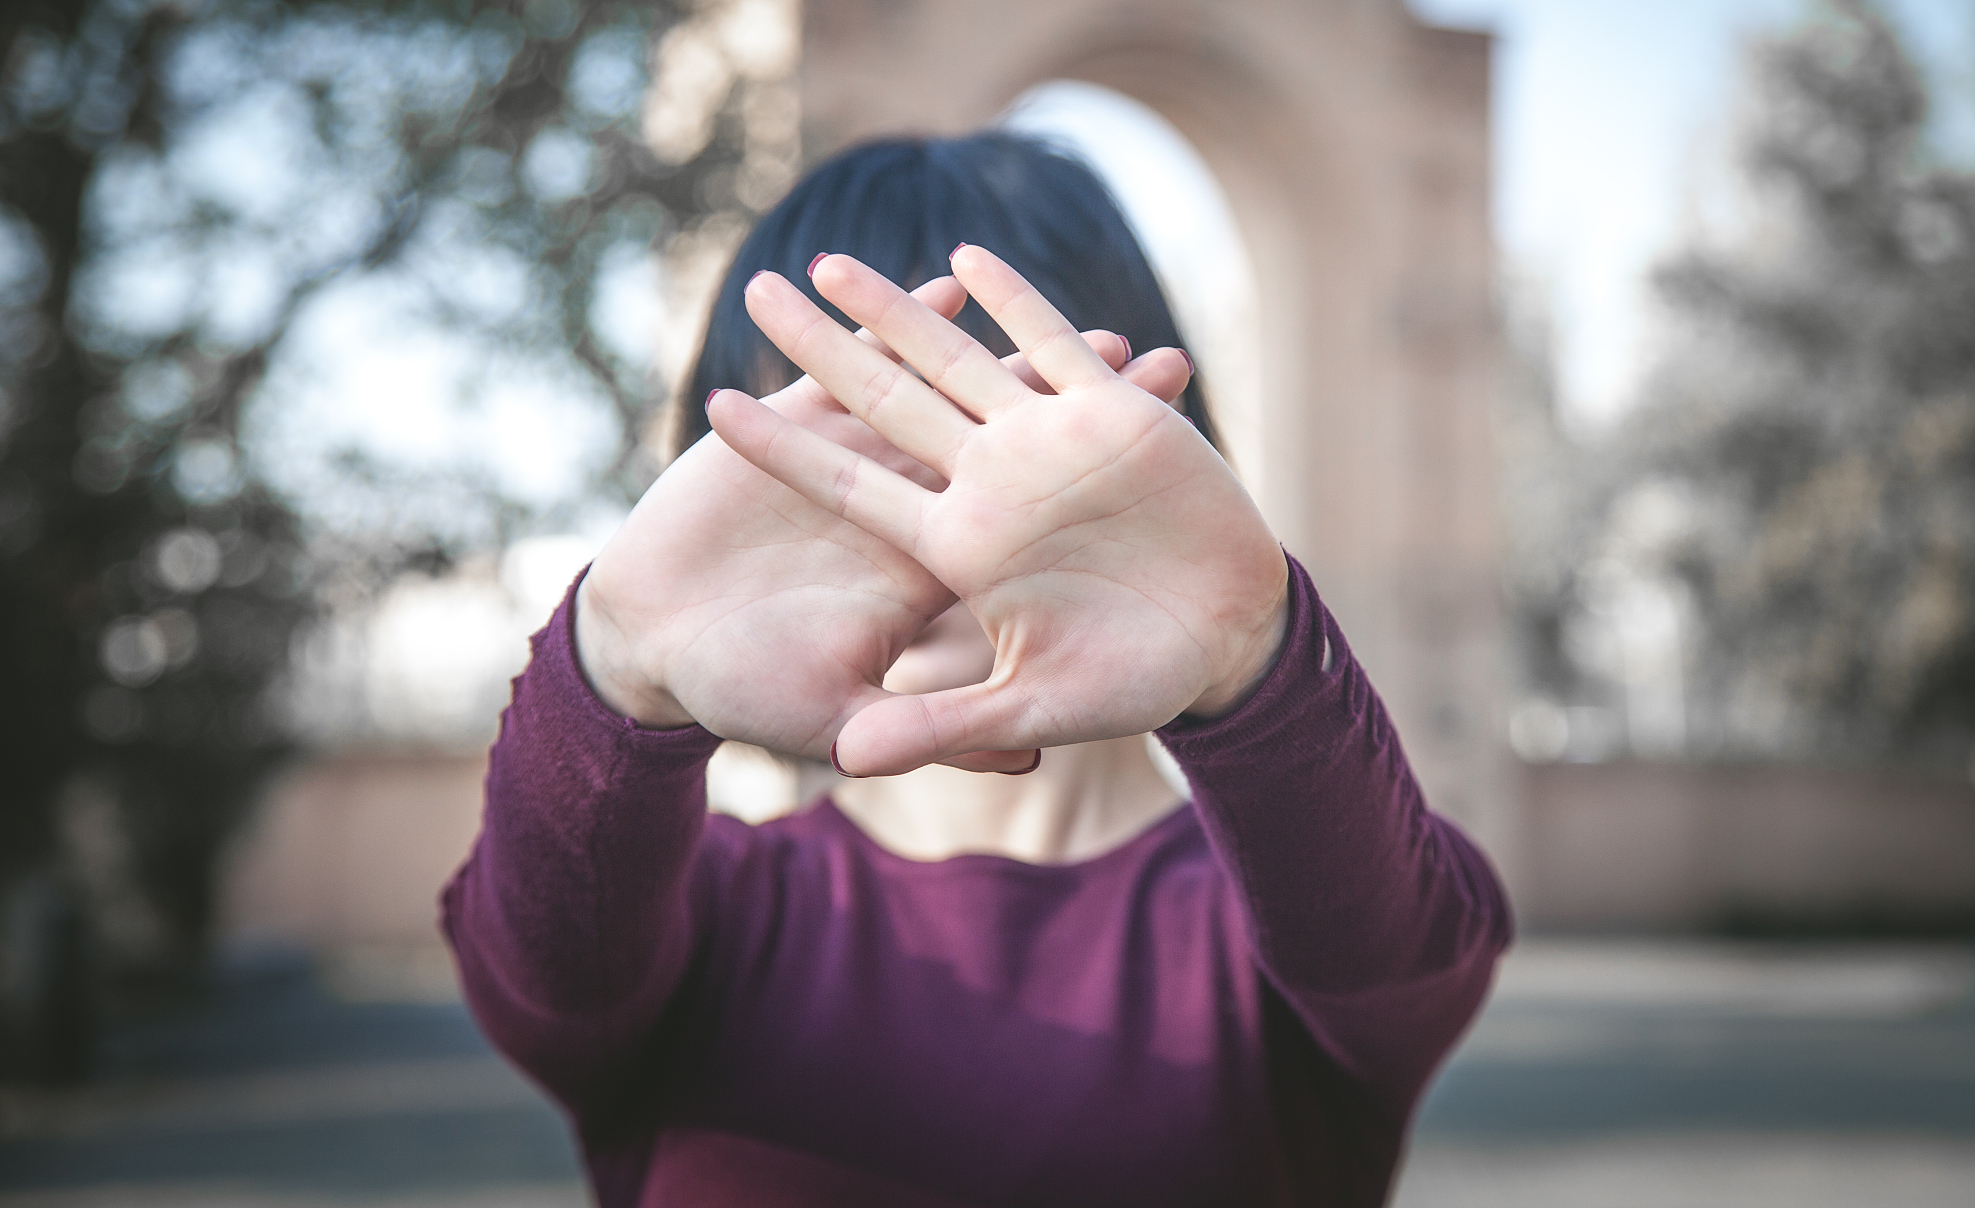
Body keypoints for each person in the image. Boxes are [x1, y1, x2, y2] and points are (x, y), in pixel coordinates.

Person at [441, 132, 1512, 1207]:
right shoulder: (700, 910)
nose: (947, 531)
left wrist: (1253, 654)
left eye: (999, 433)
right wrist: (617, 657)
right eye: (858, 449)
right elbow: (543, 967)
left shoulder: (1287, 908)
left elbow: (1402, 962)